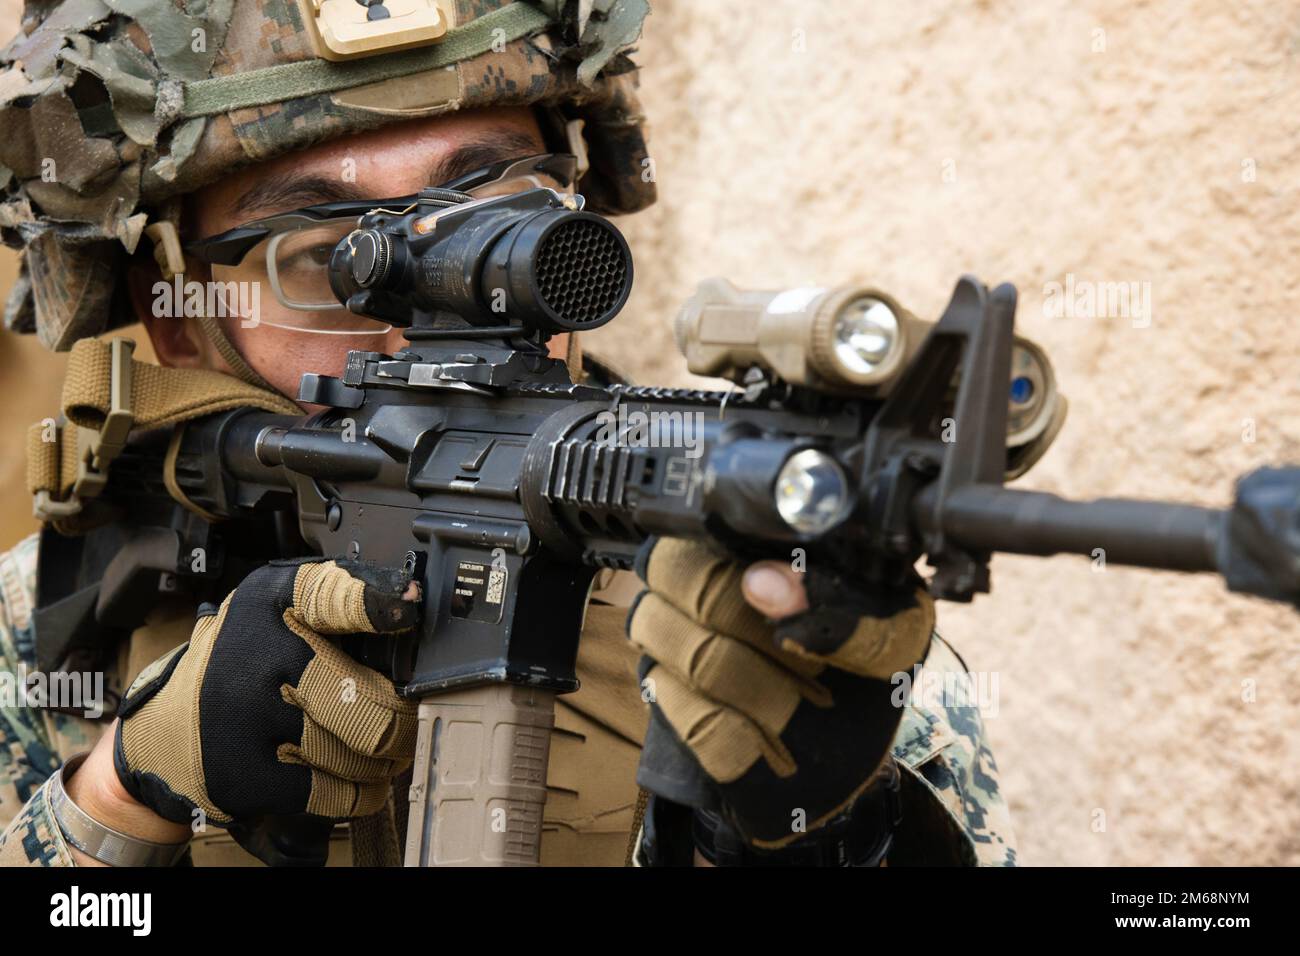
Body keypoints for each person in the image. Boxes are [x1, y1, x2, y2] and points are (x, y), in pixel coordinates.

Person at [0, 0, 1014, 867]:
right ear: (175, 308)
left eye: (497, 211)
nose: (412, 317)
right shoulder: (43, 626)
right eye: (320, 261)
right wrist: (120, 795)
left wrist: (819, 835)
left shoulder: (764, 620)